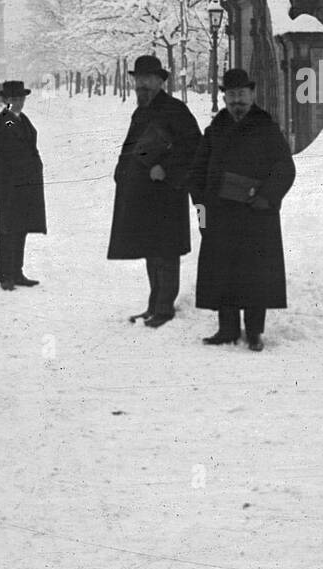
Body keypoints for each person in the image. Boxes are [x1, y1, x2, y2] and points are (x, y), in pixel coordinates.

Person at [189, 68, 295, 351]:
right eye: (232, 95)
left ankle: (254, 332)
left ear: (252, 94)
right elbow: (197, 171)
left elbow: (285, 168)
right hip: (220, 215)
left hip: (256, 215)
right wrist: (202, 208)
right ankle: (227, 329)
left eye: (242, 95)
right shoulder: (215, 130)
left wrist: (266, 197)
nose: (237, 101)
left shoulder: (266, 128)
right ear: (224, 97)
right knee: (223, 272)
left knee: (255, 275)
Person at [107, 54, 202, 328]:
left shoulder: (175, 110)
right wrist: (121, 171)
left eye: (148, 79)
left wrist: (166, 168)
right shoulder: (141, 111)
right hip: (143, 194)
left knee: (166, 251)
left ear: (160, 81)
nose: (142, 84)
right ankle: (154, 303)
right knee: (151, 248)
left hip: (167, 194)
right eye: (139, 79)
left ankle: (164, 307)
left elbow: (194, 147)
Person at [0, 80, 47, 291]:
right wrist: (8, 168)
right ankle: (6, 276)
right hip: (9, 186)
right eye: (13, 99)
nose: (18, 103)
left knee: (21, 228)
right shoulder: (1, 123)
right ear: (5, 101)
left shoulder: (22, 120)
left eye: (20, 99)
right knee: (8, 229)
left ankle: (17, 273)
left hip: (27, 184)